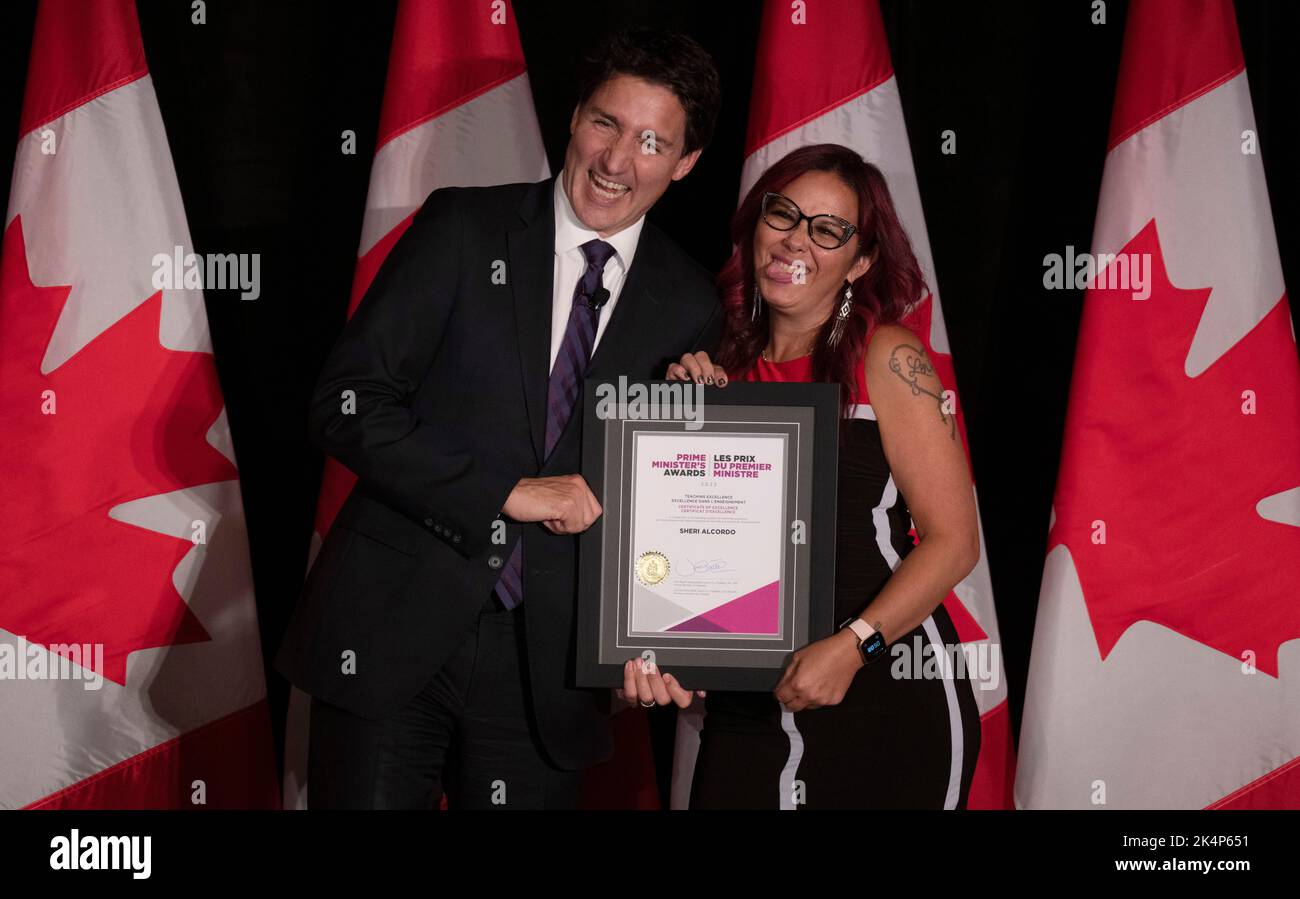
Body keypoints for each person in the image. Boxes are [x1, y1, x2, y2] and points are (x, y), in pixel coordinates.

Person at [274, 28, 721, 809]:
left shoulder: (687, 306)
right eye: (604, 123)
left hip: (548, 675)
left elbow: (664, 512)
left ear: (685, 163)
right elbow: (345, 406)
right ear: (574, 117)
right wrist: (505, 490)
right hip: (393, 632)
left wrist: (704, 431)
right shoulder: (462, 229)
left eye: (651, 141)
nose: (617, 160)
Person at [667, 143, 983, 808]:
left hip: (880, 685)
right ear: (756, 223)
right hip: (745, 700)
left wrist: (852, 646)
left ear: (860, 259)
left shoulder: (888, 356)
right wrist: (673, 417)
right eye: (783, 214)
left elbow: (956, 542)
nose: (795, 241)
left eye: (828, 229)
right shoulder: (709, 360)